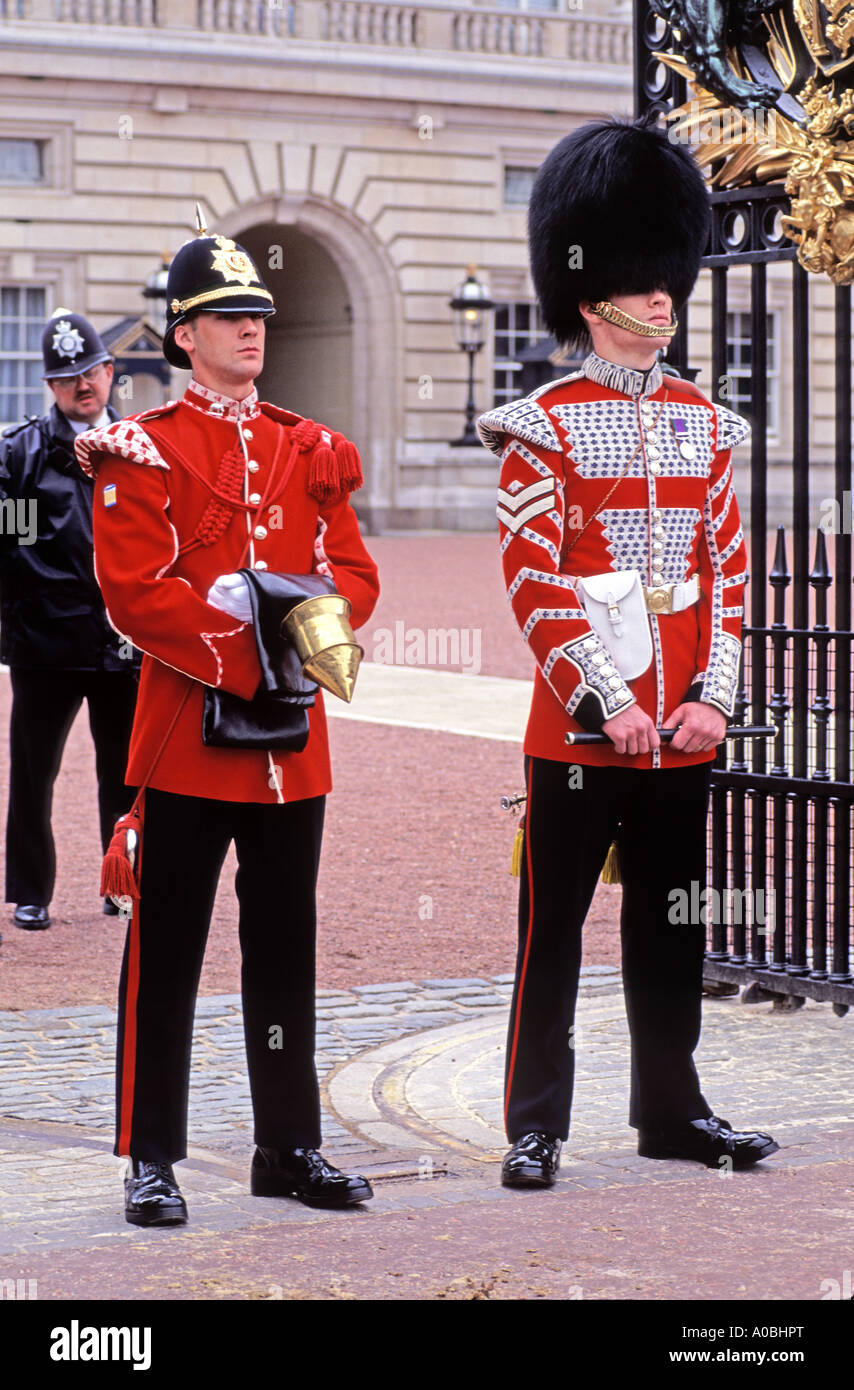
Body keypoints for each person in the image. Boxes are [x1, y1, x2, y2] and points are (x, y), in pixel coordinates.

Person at [477, 117, 779, 1187]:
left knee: (669, 928)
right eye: (642, 279)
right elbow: (534, 580)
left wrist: (711, 696)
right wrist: (606, 698)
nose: (662, 297)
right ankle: (534, 1122)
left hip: (681, 731)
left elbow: (730, 575)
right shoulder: (542, 425)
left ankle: (670, 1107)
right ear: (589, 287)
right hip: (578, 732)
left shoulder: (706, 423)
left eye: (667, 277)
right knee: (548, 932)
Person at [75, 221, 380, 1226]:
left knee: (283, 947)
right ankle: (150, 1156)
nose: (249, 330)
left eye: (255, 315)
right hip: (184, 742)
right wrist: (250, 650)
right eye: (226, 317)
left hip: (292, 750)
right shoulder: (144, 447)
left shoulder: (308, 446)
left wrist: (304, 636)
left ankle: (287, 1146)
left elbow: (353, 571)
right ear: (182, 335)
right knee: (165, 954)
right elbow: (133, 594)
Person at [0, 310, 139, 932]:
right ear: (50, 387)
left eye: (91, 371)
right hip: (47, 643)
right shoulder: (22, 455)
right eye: (67, 378)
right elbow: (17, 548)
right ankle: (30, 891)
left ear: (110, 371)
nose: (82, 385)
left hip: (123, 644)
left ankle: (123, 883)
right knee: (33, 775)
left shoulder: (139, 446)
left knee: (127, 775)